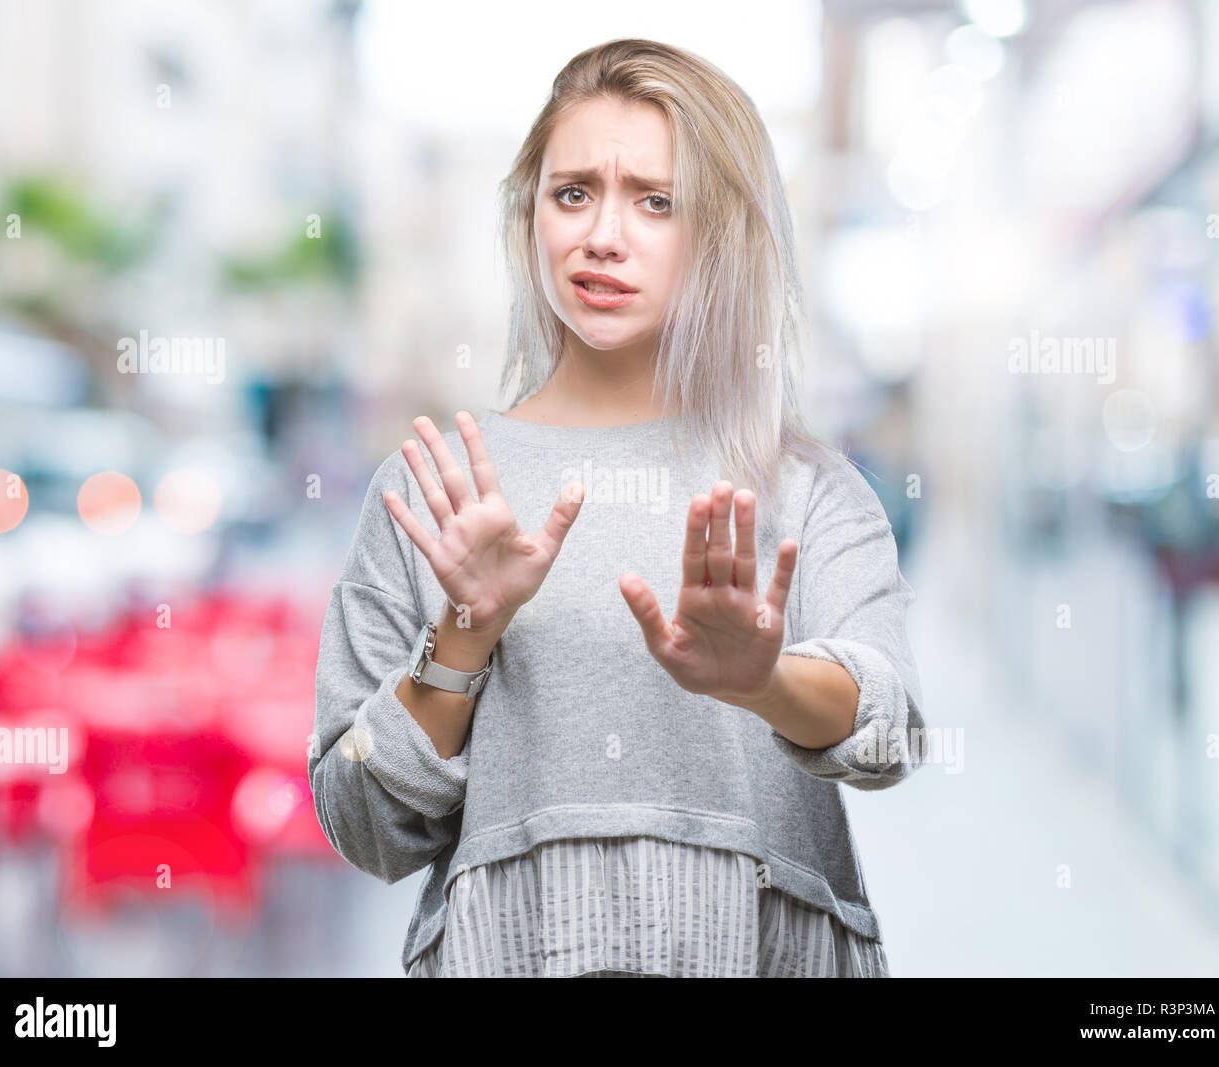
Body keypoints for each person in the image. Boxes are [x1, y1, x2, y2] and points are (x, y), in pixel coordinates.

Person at [311, 38, 927, 978]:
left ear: (723, 231)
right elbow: (366, 828)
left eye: (656, 200)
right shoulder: (437, 484)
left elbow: (890, 733)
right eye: (572, 193)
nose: (603, 235)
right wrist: (467, 629)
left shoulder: (806, 486)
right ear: (531, 218)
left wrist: (760, 679)